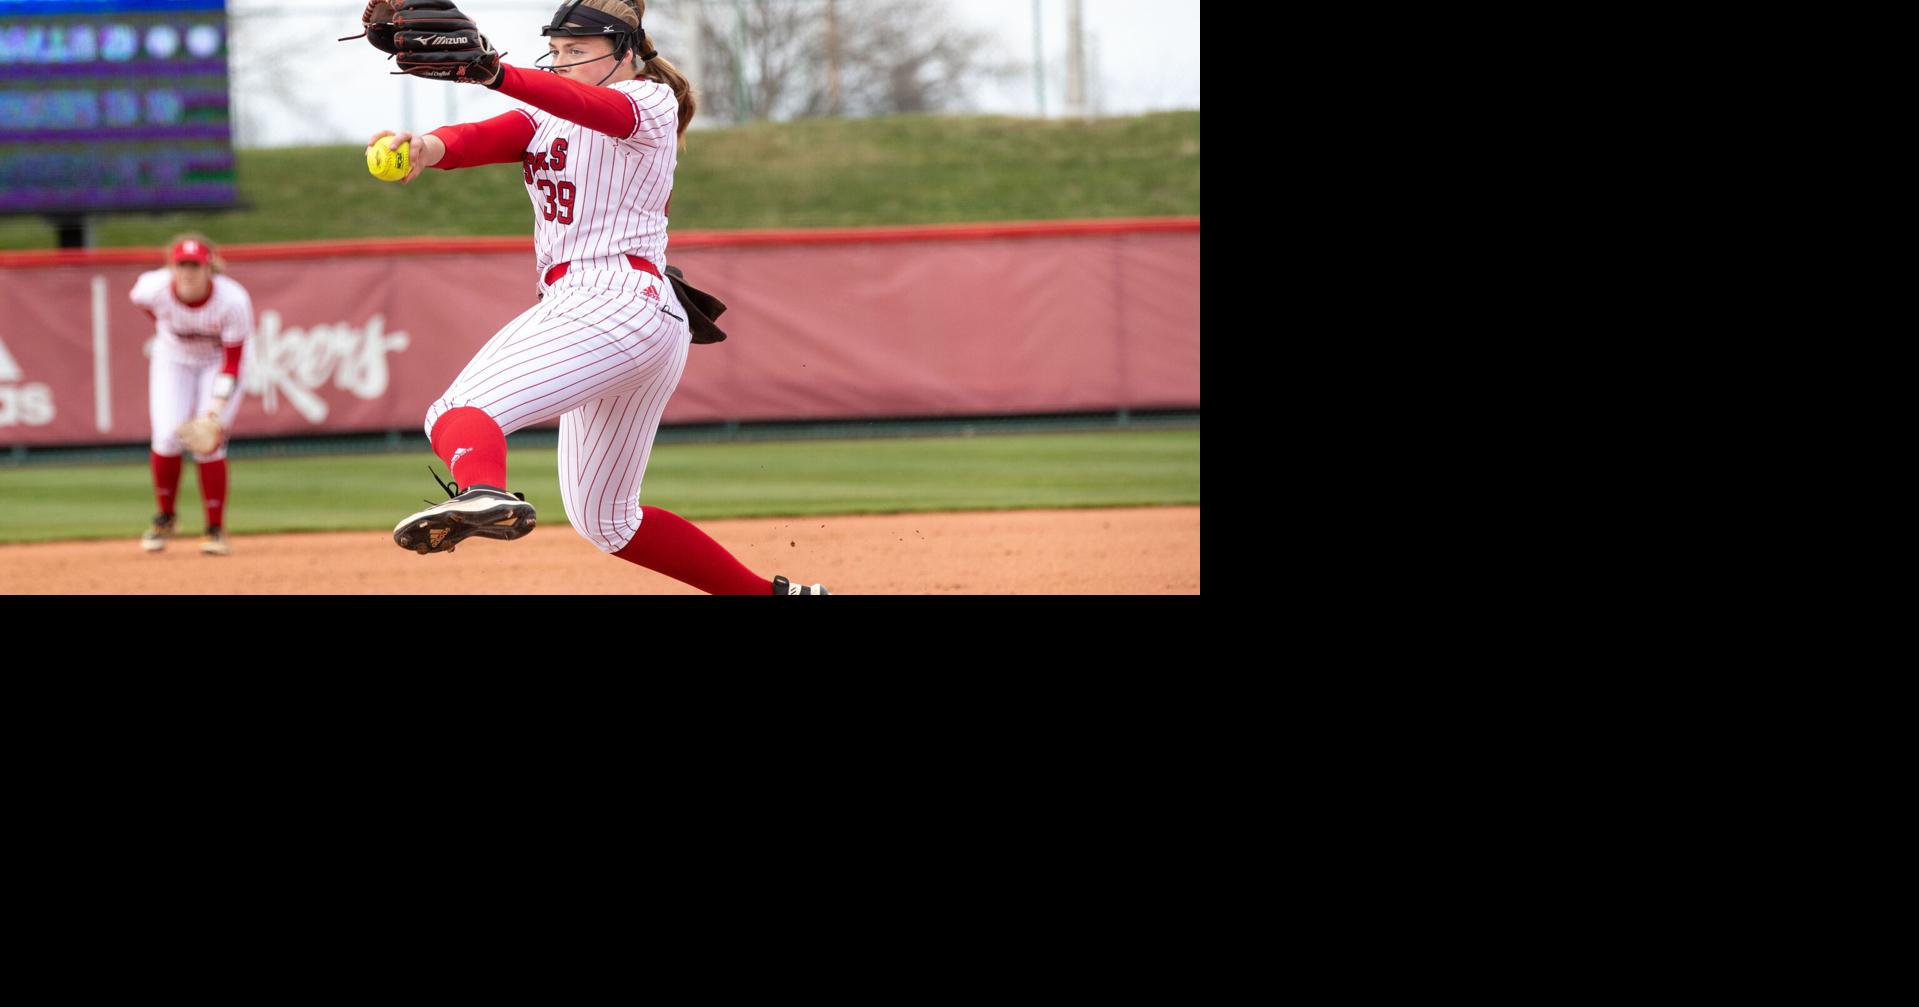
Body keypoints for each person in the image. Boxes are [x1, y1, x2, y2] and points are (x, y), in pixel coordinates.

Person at [375, 0, 828, 595]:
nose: (562, 62)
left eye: (578, 51)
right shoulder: (543, 115)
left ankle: (483, 491)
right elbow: (479, 138)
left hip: (608, 295)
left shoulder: (648, 101)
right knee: (608, 521)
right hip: (640, 317)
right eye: (555, 52)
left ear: (627, 52)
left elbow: (593, 108)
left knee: (456, 412)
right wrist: (425, 147)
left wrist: (494, 71)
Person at [129, 234, 252, 556]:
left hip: (217, 362)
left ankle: (215, 529)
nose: (188, 272)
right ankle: (165, 518)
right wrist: (164, 325)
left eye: (195, 265)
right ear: (171, 266)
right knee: (166, 437)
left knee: (208, 441)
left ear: (209, 267)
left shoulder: (232, 301)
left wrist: (214, 411)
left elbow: (232, 363)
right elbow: (142, 304)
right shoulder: (151, 289)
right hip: (174, 358)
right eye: (182, 265)